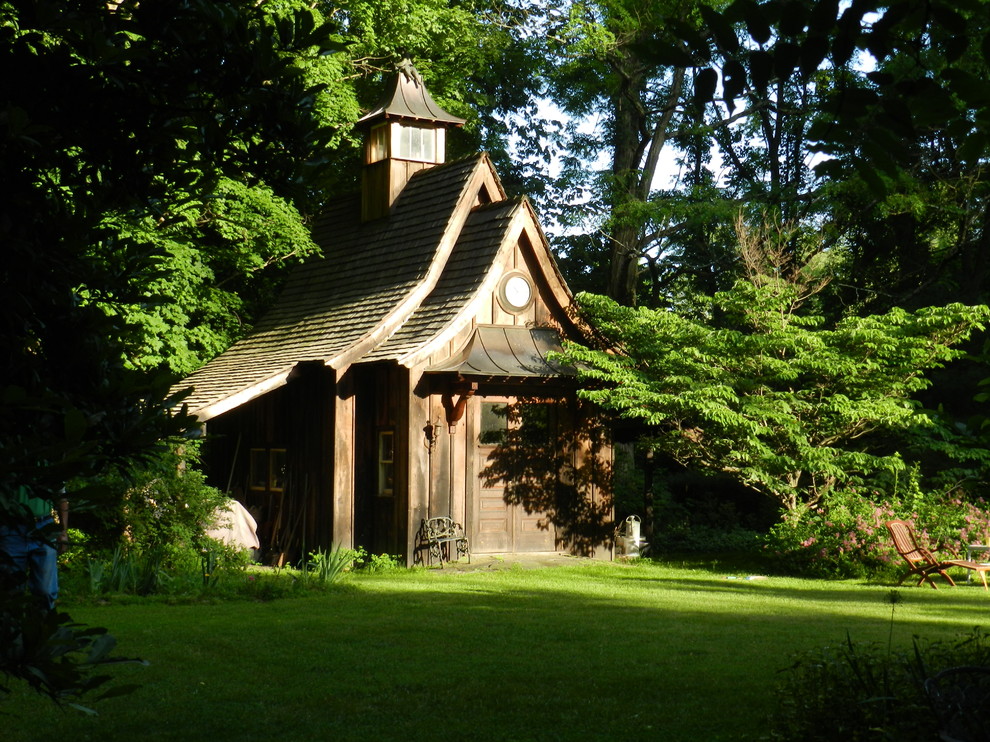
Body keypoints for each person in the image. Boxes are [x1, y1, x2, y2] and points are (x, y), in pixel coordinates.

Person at [0, 485, 68, 611]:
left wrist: (63, 532)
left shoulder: (48, 466)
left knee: (46, 591)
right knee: (11, 590)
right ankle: (14, 626)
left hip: (44, 527)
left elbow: (62, 497)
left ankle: (43, 625)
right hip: (11, 528)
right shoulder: (10, 468)